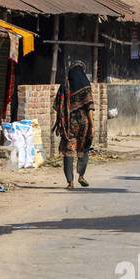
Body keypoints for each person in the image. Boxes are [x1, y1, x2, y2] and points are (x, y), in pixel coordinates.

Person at [52, 61, 93, 189]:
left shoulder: (65, 85)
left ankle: (70, 182)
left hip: (69, 124)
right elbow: (90, 107)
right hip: (84, 123)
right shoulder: (86, 84)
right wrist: (92, 125)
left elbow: (57, 105)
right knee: (83, 149)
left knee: (69, 151)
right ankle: (81, 176)